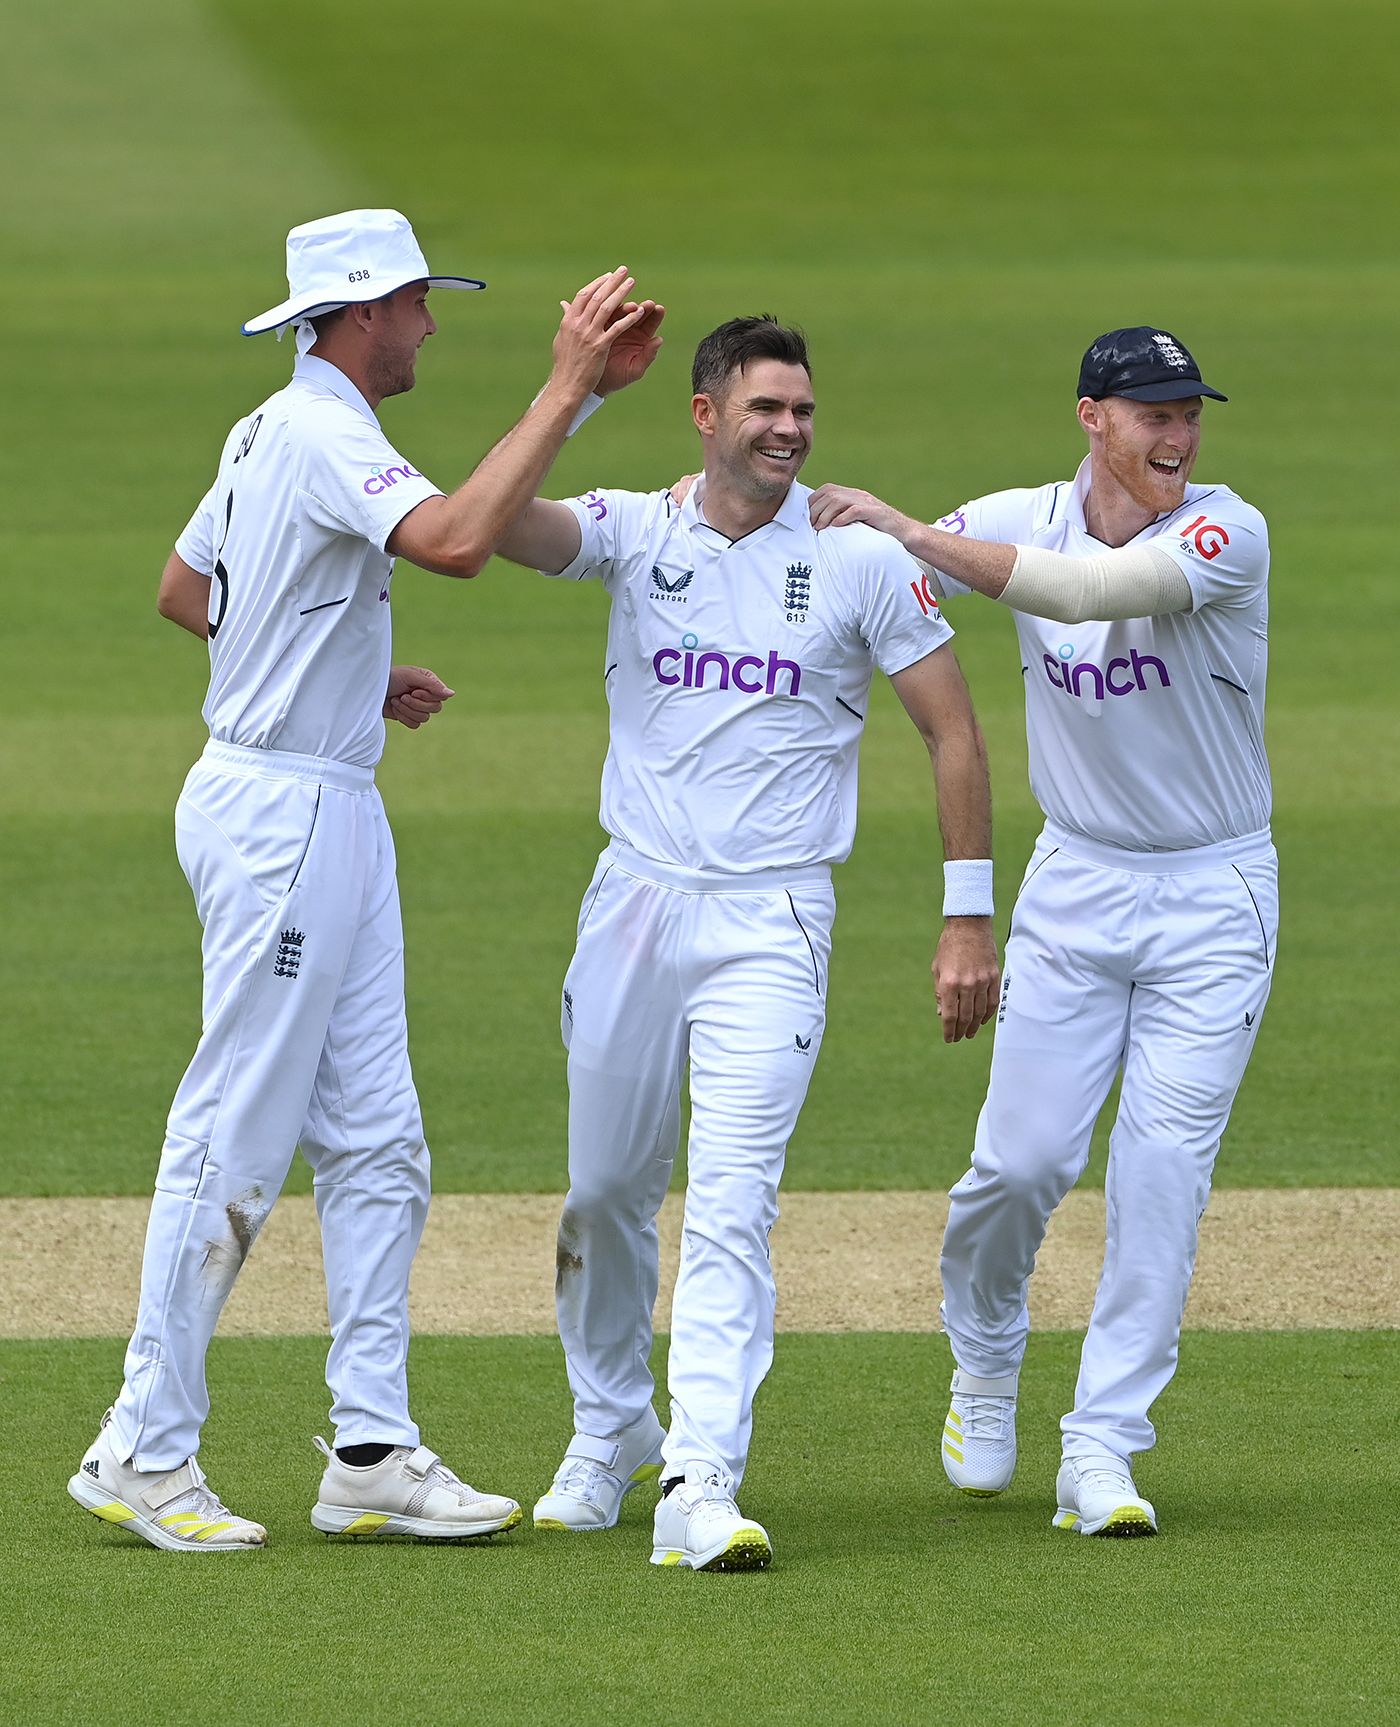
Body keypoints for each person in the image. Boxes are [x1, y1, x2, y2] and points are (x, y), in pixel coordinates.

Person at [67, 208, 663, 1552]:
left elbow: (188, 589)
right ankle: (142, 1446)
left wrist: (330, 671)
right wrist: (564, 389)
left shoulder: (269, 426)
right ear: (355, 312)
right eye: (412, 303)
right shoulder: (327, 431)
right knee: (234, 1125)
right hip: (282, 813)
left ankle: (371, 1447)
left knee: (381, 1139)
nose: (429, 324)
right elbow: (453, 542)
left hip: (319, 794)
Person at [490, 315, 1001, 1572]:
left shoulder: (860, 557)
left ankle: (698, 1478)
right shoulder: (633, 527)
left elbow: (952, 731)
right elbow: (487, 521)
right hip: (632, 901)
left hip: (773, 915)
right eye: (764, 408)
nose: (789, 430)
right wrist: (572, 392)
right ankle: (607, 1432)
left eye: (803, 411)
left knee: (729, 1204)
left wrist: (966, 908)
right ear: (705, 414)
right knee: (606, 1192)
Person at [810, 327, 1276, 1537]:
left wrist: (907, 527)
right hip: (1075, 888)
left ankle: (1104, 1446)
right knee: (1013, 1170)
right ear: (1090, 417)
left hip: (1213, 892)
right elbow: (881, 586)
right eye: (1150, 416)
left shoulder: (1227, 531)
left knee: (1159, 1176)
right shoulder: (1019, 513)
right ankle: (982, 1359)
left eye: (1187, 416)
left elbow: (1084, 593)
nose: (1175, 439)